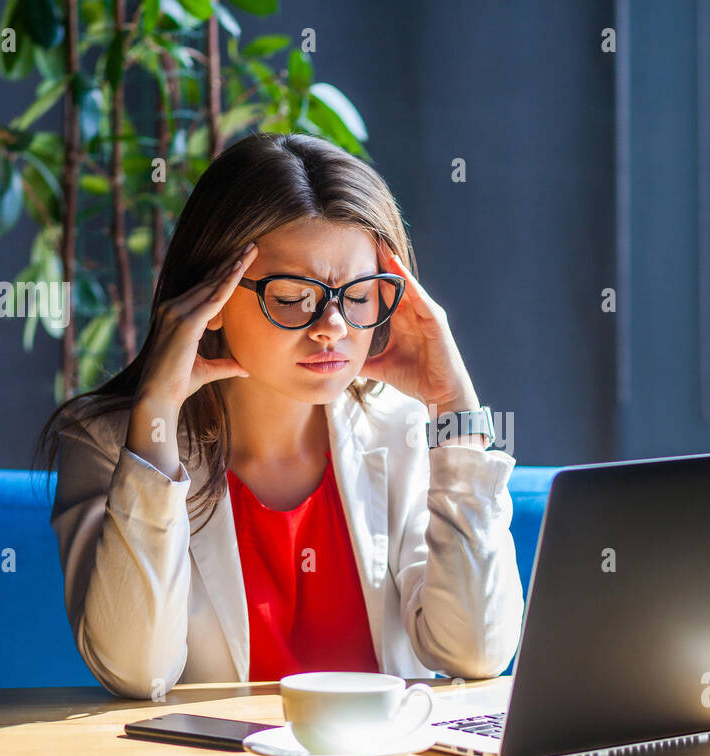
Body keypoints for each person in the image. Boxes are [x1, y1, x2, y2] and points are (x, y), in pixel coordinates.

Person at [33, 132, 524, 700]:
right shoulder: (109, 442)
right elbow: (135, 672)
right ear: (210, 302)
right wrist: (156, 416)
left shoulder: (405, 430)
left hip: (383, 755)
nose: (333, 327)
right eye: (292, 297)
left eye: (359, 295)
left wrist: (454, 408)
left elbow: (477, 652)